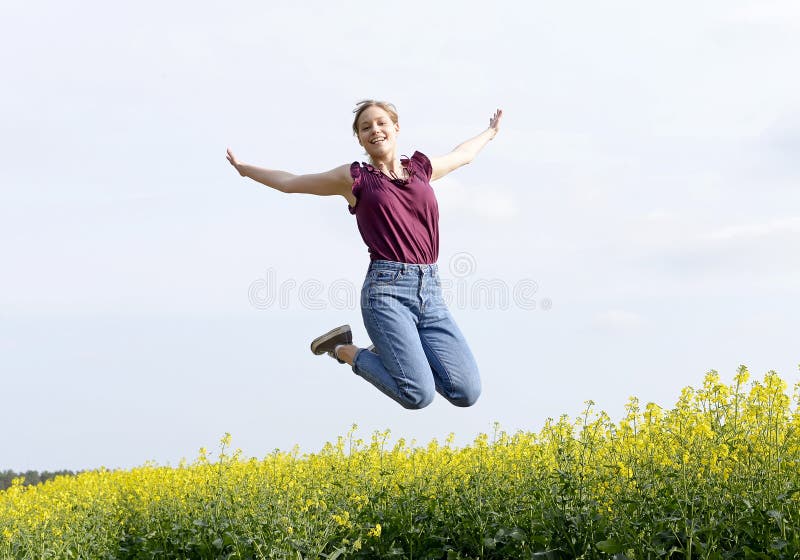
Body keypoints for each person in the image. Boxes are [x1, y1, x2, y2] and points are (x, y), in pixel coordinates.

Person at [226, 100, 502, 409]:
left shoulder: (421, 170)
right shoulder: (355, 179)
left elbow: (462, 155)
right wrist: (245, 170)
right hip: (387, 292)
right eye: (365, 127)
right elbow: (292, 183)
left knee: (466, 391)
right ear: (359, 138)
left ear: (396, 128)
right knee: (417, 395)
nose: (375, 130)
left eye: (381, 123)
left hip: (431, 293)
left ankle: (392, 350)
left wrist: (489, 133)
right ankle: (345, 350)